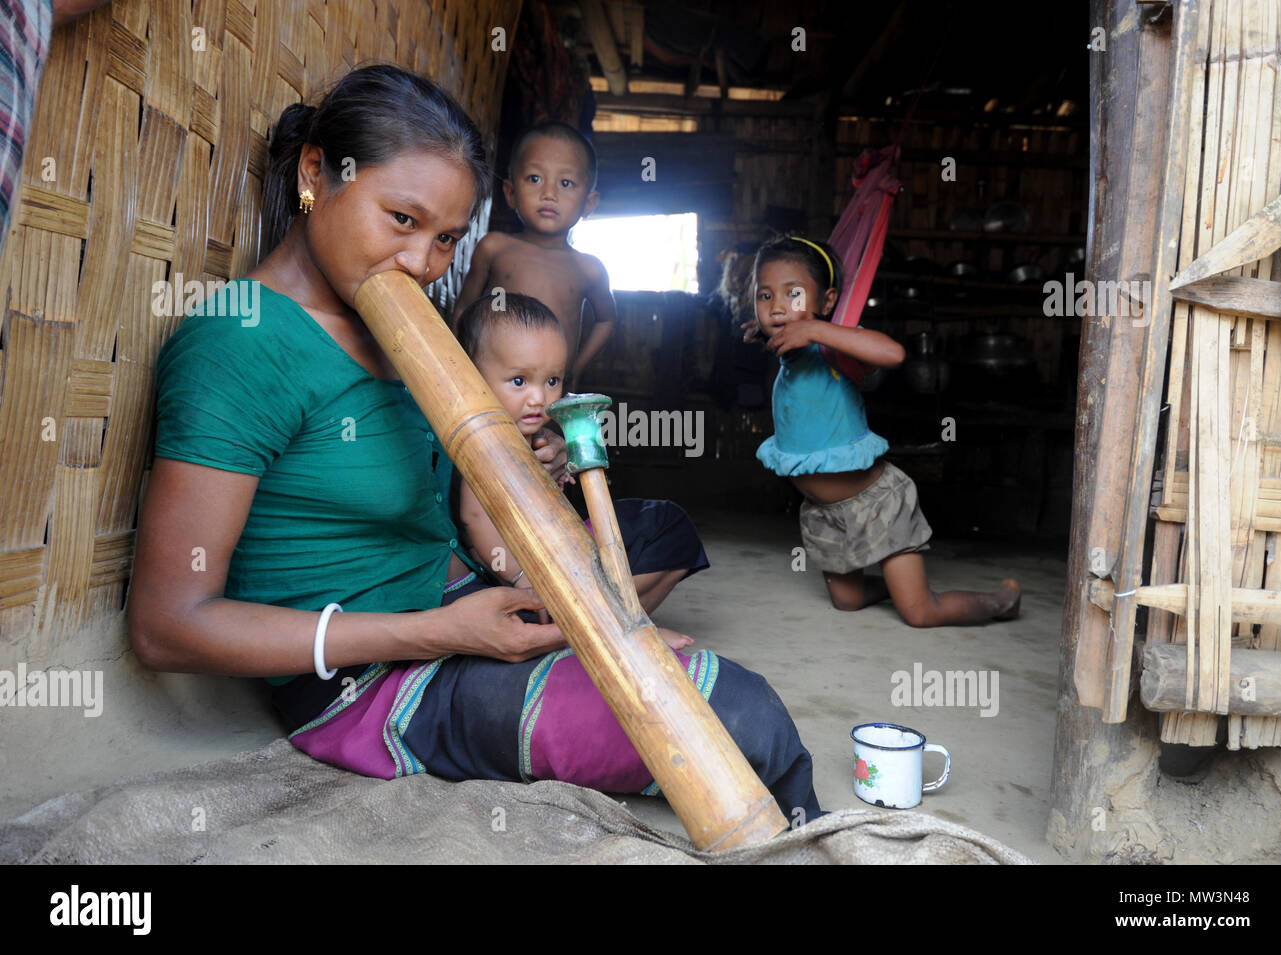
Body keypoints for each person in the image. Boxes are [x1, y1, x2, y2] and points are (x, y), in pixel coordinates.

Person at [127, 65, 820, 822]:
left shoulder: (408, 331)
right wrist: (440, 633)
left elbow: (438, 496)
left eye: (448, 238)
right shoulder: (239, 343)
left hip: (462, 603)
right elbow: (168, 625)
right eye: (402, 220)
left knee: (694, 667)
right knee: (739, 720)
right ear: (316, 172)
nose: (424, 264)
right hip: (371, 682)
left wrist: (540, 506)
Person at [752, 234, 1021, 626]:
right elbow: (775, 324)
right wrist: (765, 327)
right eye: (765, 296)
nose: (777, 306)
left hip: (877, 503)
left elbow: (893, 354)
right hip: (824, 513)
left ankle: (1001, 603)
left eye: (793, 294)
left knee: (921, 613)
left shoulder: (831, 347)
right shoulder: (785, 348)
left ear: (826, 302)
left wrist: (816, 330)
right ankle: (898, 588)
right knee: (848, 601)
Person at [454, 290, 707, 624]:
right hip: (514, 574)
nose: (538, 398)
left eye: (552, 381)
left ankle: (598, 616)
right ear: (472, 377)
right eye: (519, 381)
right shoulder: (482, 442)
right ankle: (594, 620)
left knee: (669, 525)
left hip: (555, 554)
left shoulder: (539, 438)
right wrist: (523, 583)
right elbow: (476, 520)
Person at [452, 121, 613, 389]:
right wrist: (459, 363)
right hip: (487, 384)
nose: (549, 194)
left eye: (566, 182)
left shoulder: (588, 269)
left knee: (544, 434)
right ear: (511, 193)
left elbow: (606, 320)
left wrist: (575, 367)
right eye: (534, 178)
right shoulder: (494, 248)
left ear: (589, 204)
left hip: (547, 392)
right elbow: (463, 310)